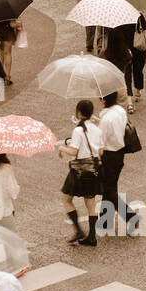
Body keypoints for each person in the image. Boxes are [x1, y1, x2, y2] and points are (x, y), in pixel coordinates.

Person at [59, 99, 104, 247]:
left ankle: (78, 230)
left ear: (78, 112)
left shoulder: (78, 130)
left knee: (66, 199)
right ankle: (92, 237)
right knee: (91, 203)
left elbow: (74, 151)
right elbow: (100, 151)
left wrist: (60, 148)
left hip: (78, 171)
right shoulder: (97, 129)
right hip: (92, 169)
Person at [97, 92, 135, 237]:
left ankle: (131, 216)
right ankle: (105, 221)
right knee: (110, 188)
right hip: (120, 152)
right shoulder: (119, 110)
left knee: (109, 190)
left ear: (103, 100)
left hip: (109, 155)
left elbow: (100, 141)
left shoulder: (106, 119)